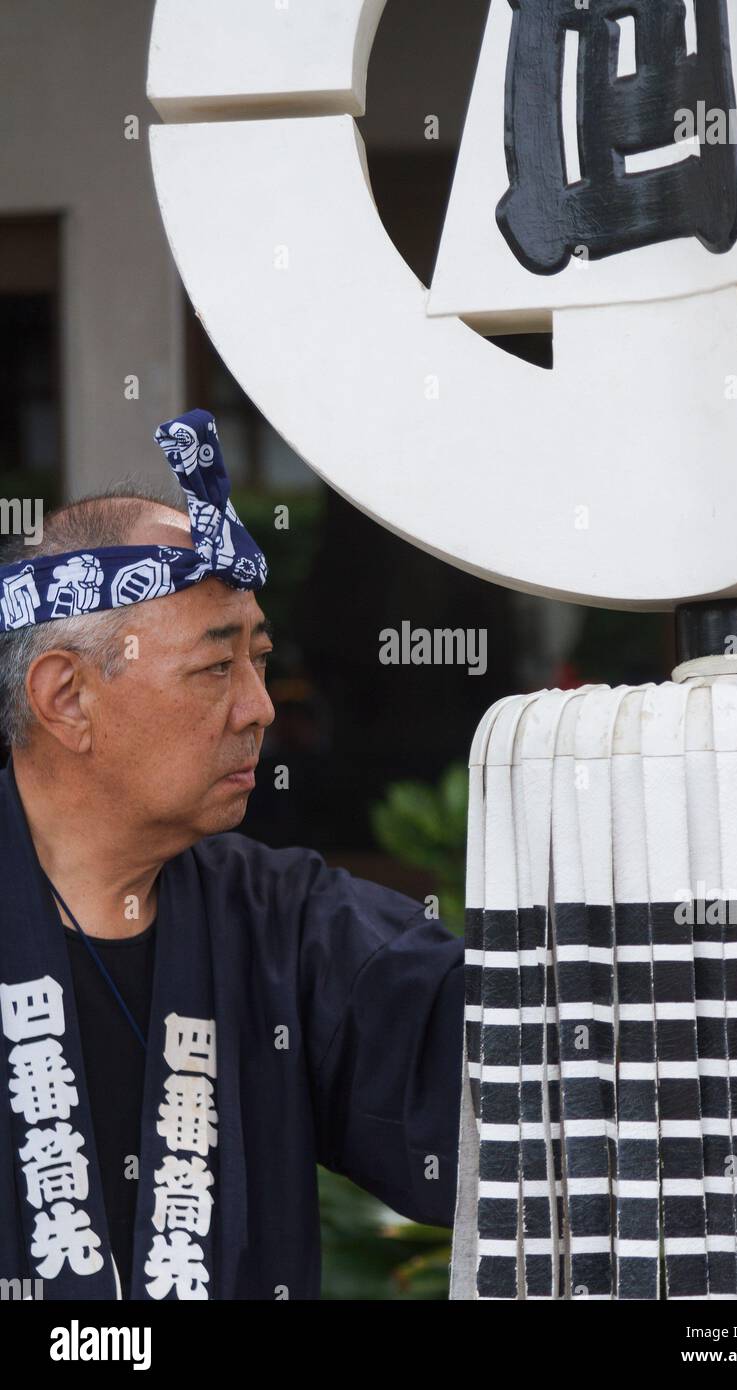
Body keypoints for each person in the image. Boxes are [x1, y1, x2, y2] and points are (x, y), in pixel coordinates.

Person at [0, 409, 465, 1301]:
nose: (258, 708)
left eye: (259, 660)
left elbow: (484, 1050)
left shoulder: (281, 925)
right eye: (217, 668)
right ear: (67, 698)